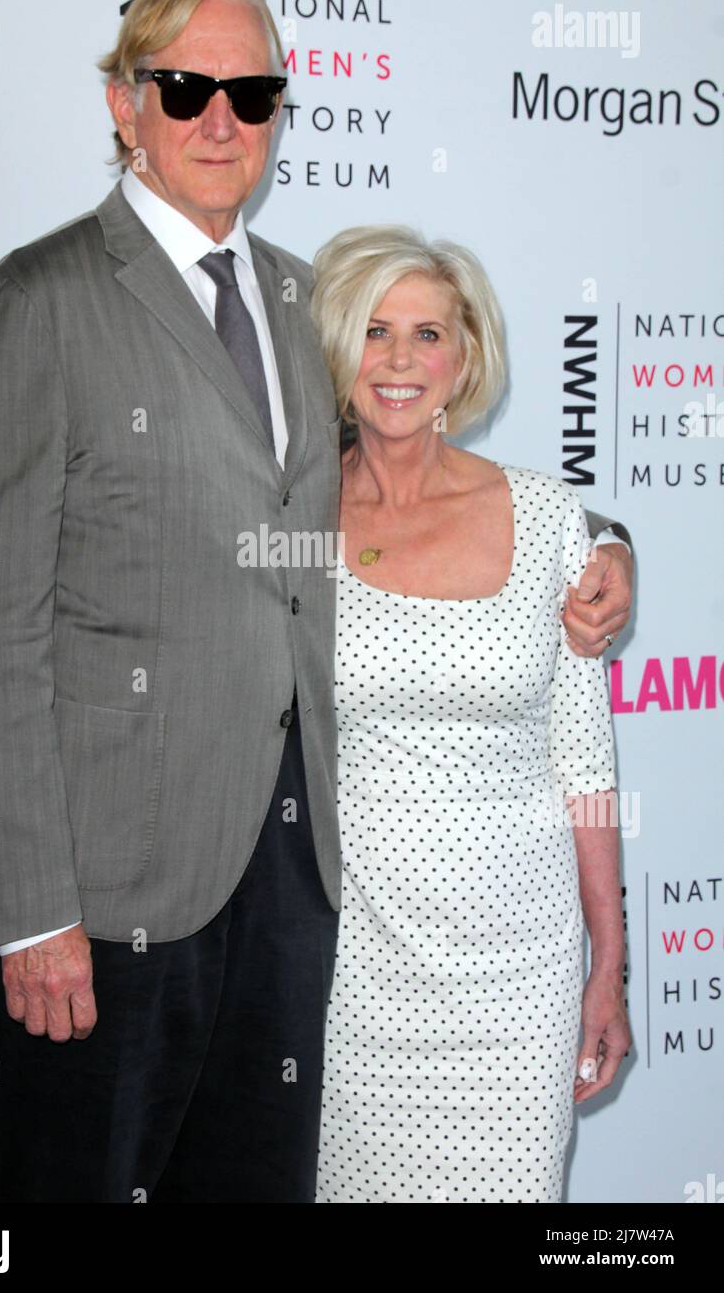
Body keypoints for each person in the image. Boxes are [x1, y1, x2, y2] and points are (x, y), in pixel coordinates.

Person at [0, 0, 634, 1204]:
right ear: (123, 104)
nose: (219, 118)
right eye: (185, 87)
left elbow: (401, 480)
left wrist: (600, 540)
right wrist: (27, 912)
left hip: (289, 904)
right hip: (95, 897)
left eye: (250, 90)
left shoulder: (309, 307)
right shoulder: (36, 302)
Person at [309, 226, 632, 1203]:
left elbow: (583, 763)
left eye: (426, 334)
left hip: (518, 980)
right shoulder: (291, 521)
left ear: (464, 357)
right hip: (351, 974)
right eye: (372, 331)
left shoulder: (544, 518)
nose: (399, 361)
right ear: (336, 350)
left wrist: (607, 964)